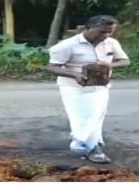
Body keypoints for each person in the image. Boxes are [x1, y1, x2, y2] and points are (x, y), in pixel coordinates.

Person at [47, 15, 131, 164]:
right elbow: (52, 67)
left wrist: (108, 65)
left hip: (101, 85)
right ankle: (89, 148)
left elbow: (125, 61)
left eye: (109, 32)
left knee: (96, 116)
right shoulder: (67, 45)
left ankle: (91, 144)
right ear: (88, 29)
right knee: (82, 117)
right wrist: (75, 75)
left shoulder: (111, 43)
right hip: (74, 87)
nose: (105, 36)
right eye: (101, 32)